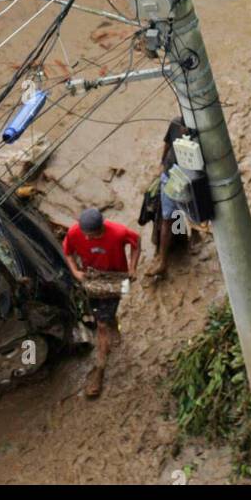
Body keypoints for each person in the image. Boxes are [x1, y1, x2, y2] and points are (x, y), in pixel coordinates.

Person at [63, 207, 140, 399]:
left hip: (115, 279)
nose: (87, 239)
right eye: (85, 235)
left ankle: (99, 369)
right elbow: (68, 253)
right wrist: (75, 272)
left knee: (101, 325)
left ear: (102, 229)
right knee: (102, 316)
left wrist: (132, 268)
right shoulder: (74, 232)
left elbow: (137, 242)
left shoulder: (119, 232)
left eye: (92, 236)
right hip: (91, 278)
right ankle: (115, 327)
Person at [146, 117, 190, 279]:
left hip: (188, 179)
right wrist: (161, 165)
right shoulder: (176, 124)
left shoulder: (203, 134)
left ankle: (182, 241)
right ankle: (167, 257)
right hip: (171, 175)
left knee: (177, 213)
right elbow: (167, 144)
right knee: (169, 215)